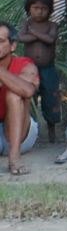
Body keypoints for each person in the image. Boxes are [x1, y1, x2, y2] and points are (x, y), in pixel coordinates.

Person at [18, 0, 60, 142]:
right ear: (29, 8)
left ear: (50, 10)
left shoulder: (52, 25)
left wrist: (34, 34)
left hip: (48, 69)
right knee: (30, 98)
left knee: (51, 97)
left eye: (44, 8)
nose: (40, 12)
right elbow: (21, 38)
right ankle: (30, 131)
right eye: (36, 8)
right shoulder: (26, 24)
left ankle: (52, 130)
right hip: (29, 70)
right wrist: (40, 36)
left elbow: (50, 40)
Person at [0, 21, 40, 174]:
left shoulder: (25, 65)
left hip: (21, 136)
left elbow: (28, 91)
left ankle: (15, 156)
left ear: (13, 46)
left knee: (15, 93)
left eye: (0, 41)